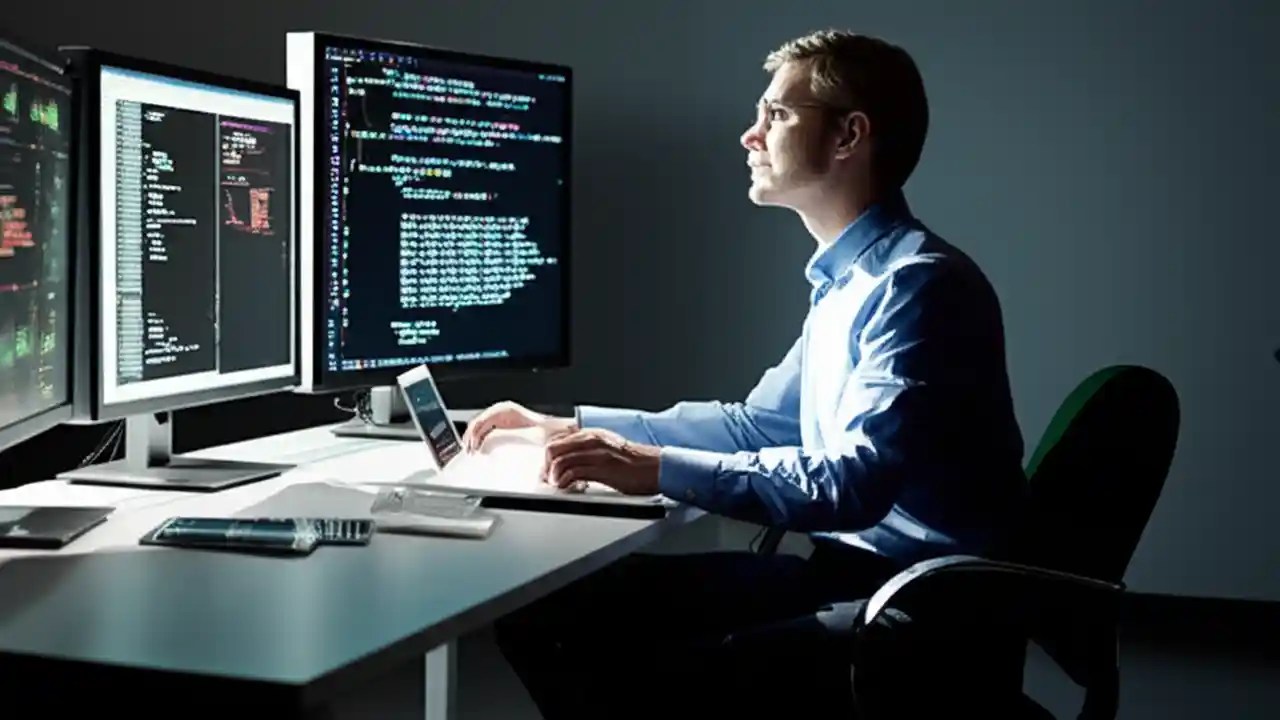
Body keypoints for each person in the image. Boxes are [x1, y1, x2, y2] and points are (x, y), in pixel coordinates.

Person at [464, 29, 1028, 718]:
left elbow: (855, 483)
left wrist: (654, 467)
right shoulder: (852, 280)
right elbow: (755, 423)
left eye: (777, 115)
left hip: (913, 607)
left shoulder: (914, 287)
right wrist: (571, 424)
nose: (749, 135)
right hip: (854, 575)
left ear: (849, 136)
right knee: (540, 607)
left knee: (637, 670)